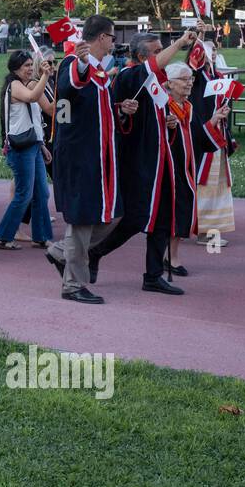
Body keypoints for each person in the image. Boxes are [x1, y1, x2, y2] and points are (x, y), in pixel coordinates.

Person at [85, 28, 200, 295]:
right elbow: (119, 115)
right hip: (138, 161)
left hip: (160, 158)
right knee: (137, 218)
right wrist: (181, 43)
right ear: (141, 56)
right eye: (157, 51)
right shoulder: (130, 75)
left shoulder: (156, 82)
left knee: (162, 217)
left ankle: (153, 275)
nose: (162, 56)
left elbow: (154, 114)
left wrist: (168, 123)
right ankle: (95, 252)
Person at [44, 14, 129, 304]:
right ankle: (73, 285)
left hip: (101, 156)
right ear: (102, 37)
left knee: (114, 214)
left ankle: (60, 252)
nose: (114, 43)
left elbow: (92, 110)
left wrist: (120, 109)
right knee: (82, 219)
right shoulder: (73, 64)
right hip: (81, 156)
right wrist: (80, 63)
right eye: (112, 37)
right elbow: (68, 90)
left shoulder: (101, 72)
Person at [160, 61, 229, 276]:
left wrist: (214, 120)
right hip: (166, 171)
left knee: (181, 213)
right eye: (184, 79)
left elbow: (199, 137)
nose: (189, 83)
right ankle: (163, 258)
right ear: (169, 84)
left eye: (191, 78)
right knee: (168, 215)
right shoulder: (162, 106)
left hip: (186, 169)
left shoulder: (188, 108)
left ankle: (170, 256)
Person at [0, 50, 55, 250]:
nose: (30, 68)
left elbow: (40, 116)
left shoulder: (24, 84)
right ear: (16, 68)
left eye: (31, 65)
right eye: (26, 65)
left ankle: (41, 236)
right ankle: (2, 236)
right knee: (24, 194)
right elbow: (33, 97)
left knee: (42, 193)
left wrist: (41, 144)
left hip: (32, 145)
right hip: (20, 148)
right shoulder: (15, 85)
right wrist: (45, 76)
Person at [189, 40, 236, 247]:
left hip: (219, 136)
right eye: (208, 50)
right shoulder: (197, 78)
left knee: (218, 186)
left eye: (215, 49)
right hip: (203, 136)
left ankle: (212, 229)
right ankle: (202, 231)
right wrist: (197, 36)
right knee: (204, 183)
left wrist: (225, 118)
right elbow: (193, 67)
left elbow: (224, 102)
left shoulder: (220, 77)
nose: (213, 53)